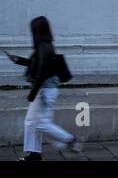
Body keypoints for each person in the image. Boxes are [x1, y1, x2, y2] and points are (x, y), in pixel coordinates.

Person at [7, 16, 82, 160]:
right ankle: (33, 155)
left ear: (37, 31)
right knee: (30, 122)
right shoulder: (44, 46)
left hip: (44, 90)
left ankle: (70, 140)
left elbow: (42, 73)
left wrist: (32, 93)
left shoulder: (44, 46)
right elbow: (35, 64)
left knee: (41, 124)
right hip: (43, 89)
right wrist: (18, 60)